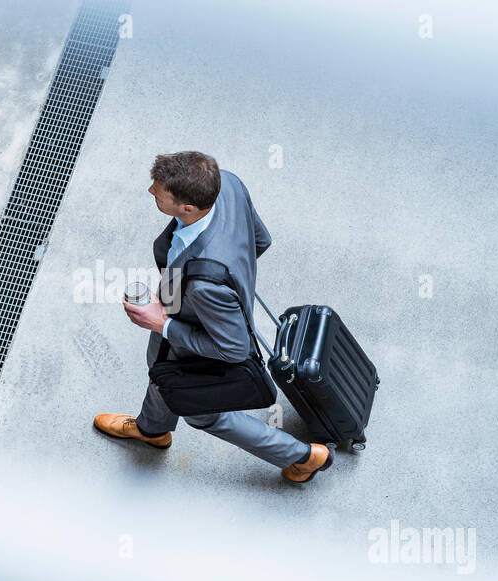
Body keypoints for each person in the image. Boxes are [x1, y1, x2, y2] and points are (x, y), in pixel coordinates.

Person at [93, 151, 334, 483]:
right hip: (184, 308)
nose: (151, 191)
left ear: (188, 208)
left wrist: (162, 323)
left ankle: (304, 457)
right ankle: (152, 430)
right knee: (161, 369)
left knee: (207, 416)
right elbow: (259, 239)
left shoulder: (207, 286)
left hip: (198, 334)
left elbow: (233, 349)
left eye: (158, 191)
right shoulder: (228, 183)